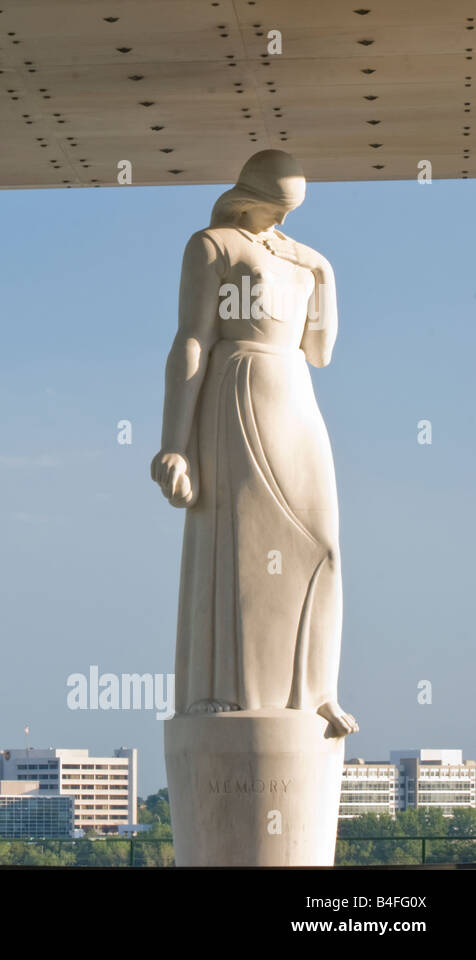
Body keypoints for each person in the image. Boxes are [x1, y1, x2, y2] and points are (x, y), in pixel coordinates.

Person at [150, 149, 357, 737]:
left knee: (322, 544)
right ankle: (228, 688)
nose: (286, 216)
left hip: (295, 396)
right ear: (256, 191)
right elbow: (190, 342)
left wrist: (324, 276)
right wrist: (175, 444)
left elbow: (321, 352)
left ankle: (315, 690)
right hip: (236, 390)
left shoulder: (307, 261)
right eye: (280, 202)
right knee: (242, 541)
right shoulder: (212, 245)